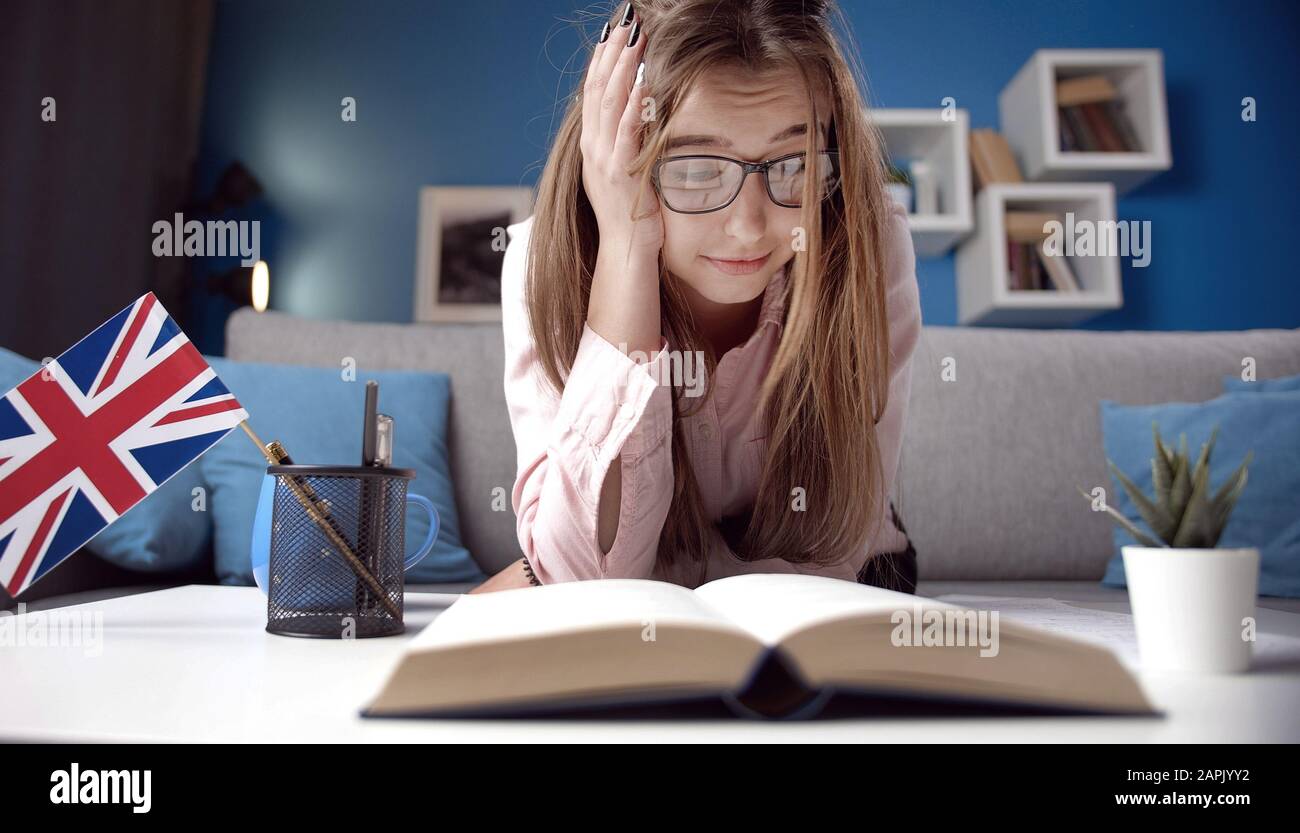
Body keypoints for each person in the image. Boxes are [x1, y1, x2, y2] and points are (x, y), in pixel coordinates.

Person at [471, 0, 921, 594]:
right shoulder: (540, 260)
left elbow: (829, 553)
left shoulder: (870, 239)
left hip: (846, 581)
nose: (749, 226)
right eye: (695, 168)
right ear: (621, 159)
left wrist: (609, 572)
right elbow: (586, 582)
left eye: (793, 162)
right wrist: (626, 244)